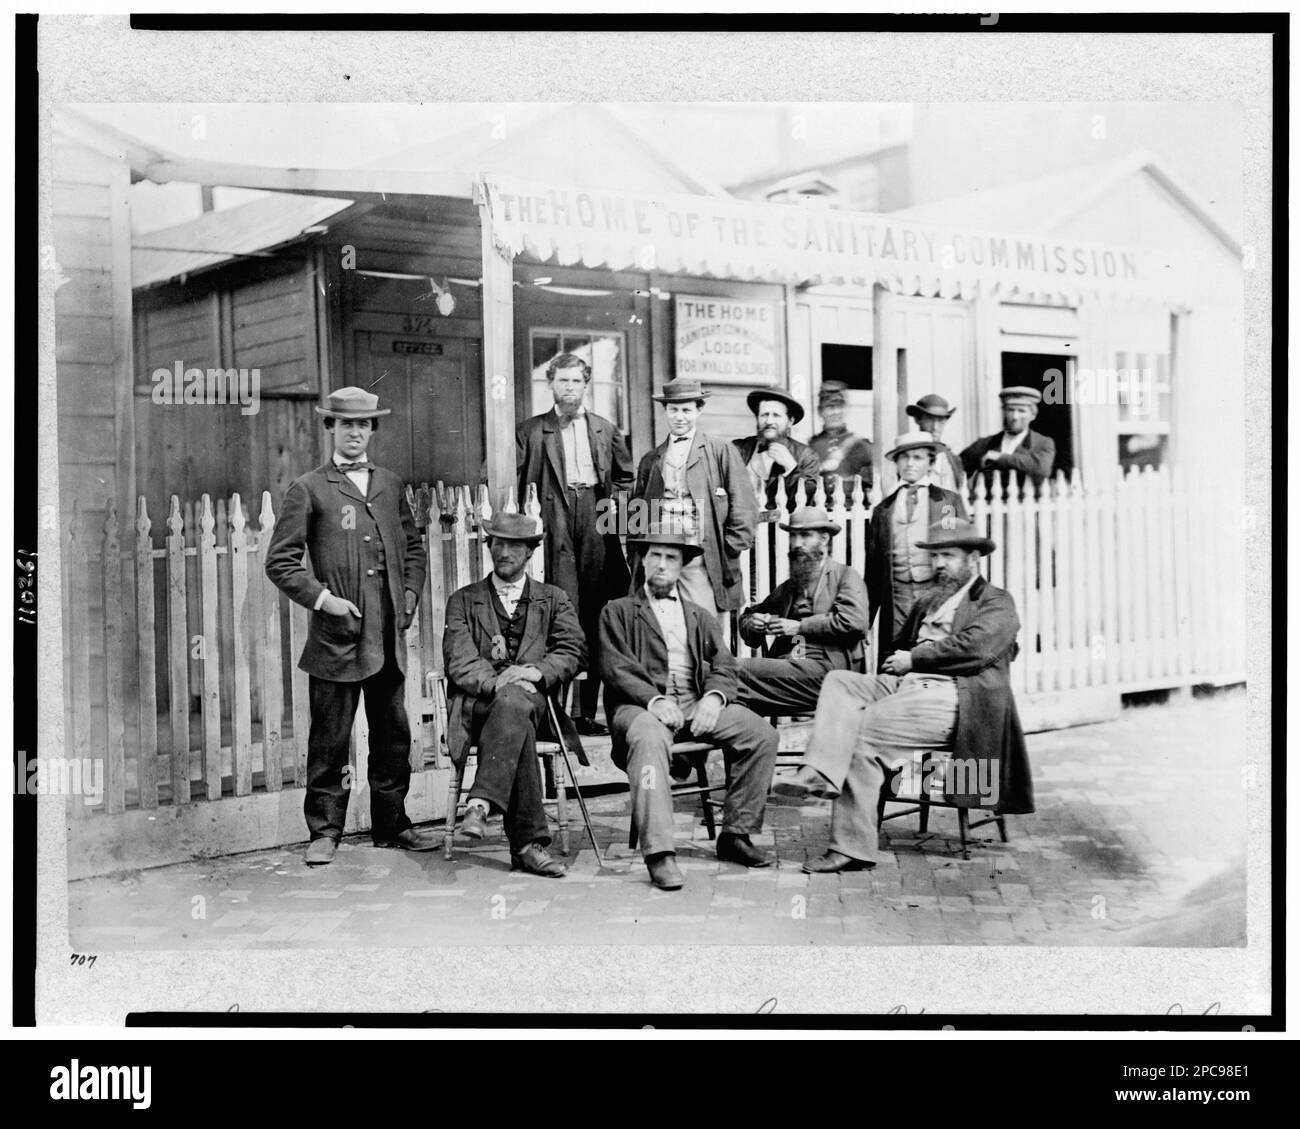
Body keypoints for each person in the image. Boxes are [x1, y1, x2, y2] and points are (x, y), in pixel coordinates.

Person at [776, 519, 1034, 873]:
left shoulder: (996, 602)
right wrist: (901, 660)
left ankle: (852, 848)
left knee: (861, 732)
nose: (939, 564)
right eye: (936, 556)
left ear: (973, 559)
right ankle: (817, 770)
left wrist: (915, 657)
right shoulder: (930, 599)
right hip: (911, 685)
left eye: (949, 556)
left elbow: (976, 646)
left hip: (955, 696)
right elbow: (900, 645)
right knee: (840, 681)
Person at [264, 386, 437, 865]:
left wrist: (408, 597)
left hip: (387, 637)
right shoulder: (309, 488)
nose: (355, 433)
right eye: (346, 425)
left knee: (392, 736)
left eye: (363, 425)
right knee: (330, 740)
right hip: (337, 639)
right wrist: (324, 601)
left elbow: (414, 548)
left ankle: (392, 823)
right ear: (330, 429)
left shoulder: (391, 484)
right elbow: (280, 562)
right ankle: (324, 831)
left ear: (373, 430)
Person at [598, 528, 779, 890]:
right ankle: (660, 853)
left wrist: (714, 698)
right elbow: (615, 667)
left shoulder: (699, 615)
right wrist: (655, 699)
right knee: (649, 740)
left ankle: (735, 834)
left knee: (761, 734)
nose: (662, 565)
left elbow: (725, 665)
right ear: (643, 561)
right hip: (641, 709)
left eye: (671, 558)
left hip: (694, 706)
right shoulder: (617, 611)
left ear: (682, 567)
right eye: (656, 556)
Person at [441, 513, 587, 878]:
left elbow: (573, 649)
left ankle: (479, 803)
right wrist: (499, 684)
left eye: (515, 546)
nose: (504, 552)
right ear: (489, 546)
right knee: (512, 706)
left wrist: (538, 672)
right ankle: (527, 847)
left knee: (517, 706)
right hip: (478, 707)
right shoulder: (464, 600)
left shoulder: (554, 598)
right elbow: (460, 660)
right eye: (498, 543)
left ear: (530, 552)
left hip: (537, 707)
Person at [516, 351, 633, 737]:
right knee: (560, 610)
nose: (570, 387)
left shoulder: (604, 428)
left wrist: (617, 506)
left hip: (597, 515)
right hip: (555, 517)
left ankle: (585, 713)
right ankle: (554, 714)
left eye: (576, 381)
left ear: (586, 385)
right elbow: (503, 479)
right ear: (550, 384)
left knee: (598, 610)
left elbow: (625, 478)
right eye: (562, 380)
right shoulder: (531, 431)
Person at [630, 377, 759, 621]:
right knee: (658, 622)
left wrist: (725, 548)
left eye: (687, 410)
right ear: (665, 411)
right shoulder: (651, 459)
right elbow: (638, 513)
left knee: (702, 623)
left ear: (699, 410)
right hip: (662, 551)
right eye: (674, 409)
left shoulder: (720, 451)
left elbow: (744, 507)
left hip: (700, 555)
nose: (680, 417)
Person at [734, 506, 869, 717]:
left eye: (805, 535)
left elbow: (855, 623)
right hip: (789, 669)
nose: (797, 544)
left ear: (824, 539)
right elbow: (749, 615)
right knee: (729, 688)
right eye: (793, 536)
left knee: (729, 672)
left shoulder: (845, 576)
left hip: (830, 673)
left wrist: (799, 626)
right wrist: (752, 623)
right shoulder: (790, 587)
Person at [866, 431, 968, 668]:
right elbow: (873, 569)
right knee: (895, 658)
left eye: (918, 457)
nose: (910, 463)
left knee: (933, 650)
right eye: (904, 457)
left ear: (931, 463)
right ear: (896, 463)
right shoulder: (883, 509)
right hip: (897, 596)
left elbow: (961, 554)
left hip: (935, 592)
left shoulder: (946, 503)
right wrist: (865, 621)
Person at [731, 387, 820, 511]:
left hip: (783, 528)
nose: (769, 421)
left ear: (790, 421)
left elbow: (805, 504)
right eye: (764, 415)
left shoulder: (807, 456)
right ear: (757, 419)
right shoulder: (737, 449)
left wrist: (791, 468)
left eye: (776, 415)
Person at [959, 386, 1056, 492]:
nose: (1015, 417)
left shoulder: (1042, 443)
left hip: (1028, 506)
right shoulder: (985, 444)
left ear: (1032, 415)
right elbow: (957, 466)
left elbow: (1042, 468)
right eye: (1010, 410)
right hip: (987, 505)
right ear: (1003, 411)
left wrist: (999, 457)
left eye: (1021, 411)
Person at [808, 380, 874, 496]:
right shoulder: (811, 446)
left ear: (846, 409)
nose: (835, 412)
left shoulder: (861, 445)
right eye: (829, 407)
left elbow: (871, 486)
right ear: (820, 411)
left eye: (839, 407)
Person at [905, 392, 965, 494]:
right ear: (917, 420)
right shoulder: (905, 458)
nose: (935, 427)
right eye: (929, 419)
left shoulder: (954, 460)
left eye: (940, 421)